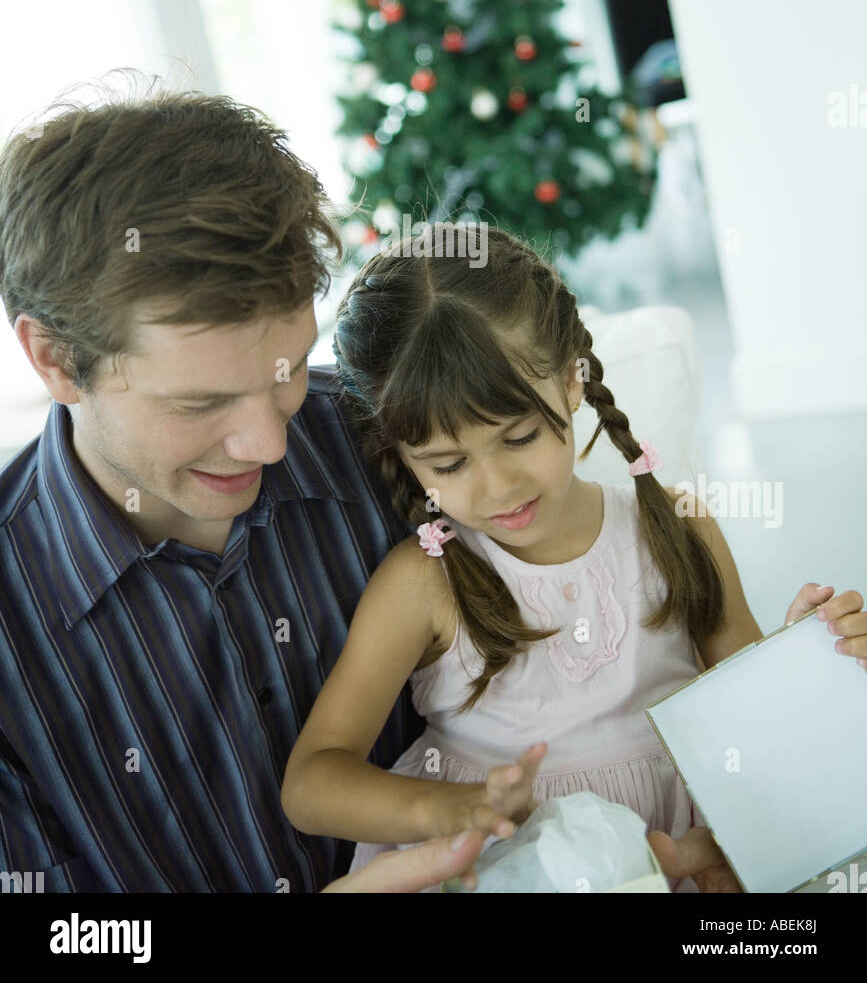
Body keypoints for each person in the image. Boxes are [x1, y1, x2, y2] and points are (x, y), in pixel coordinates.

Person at [0, 81, 856, 894]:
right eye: (200, 402)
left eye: (289, 371)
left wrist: (794, 681)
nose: (270, 441)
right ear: (53, 359)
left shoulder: (391, 427)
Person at [282, 227, 866, 894]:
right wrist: (447, 809)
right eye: (448, 464)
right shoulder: (424, 582)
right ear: (400, 448)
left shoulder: (676, 529)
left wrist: (800, 662)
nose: (497, 486)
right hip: (517, 868)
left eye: (518, 438)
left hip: (678, 857)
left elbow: (753, 716)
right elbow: (312, 781)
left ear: (569, 380)